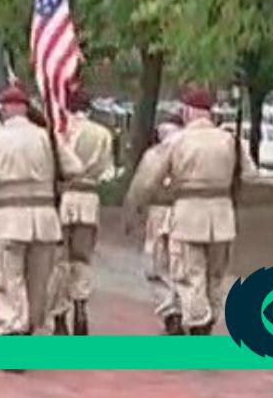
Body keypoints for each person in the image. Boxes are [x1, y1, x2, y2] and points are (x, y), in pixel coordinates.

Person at [0, 83, 81, 339]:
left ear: (4, 110)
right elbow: (75, 168)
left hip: (8, 218)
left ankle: (12, 328)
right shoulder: (47, 138)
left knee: (6, 279)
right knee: (39, 283)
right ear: (25, 109)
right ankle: (31, 324)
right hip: (45, 220)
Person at [128, 82, 253, 337]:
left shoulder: (177, 141)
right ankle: (210, 316)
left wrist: (135, 205)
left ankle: (198, 322)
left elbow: (149, 179)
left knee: (188, 274)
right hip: (222, 217)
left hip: (188, 215)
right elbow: (250, 174)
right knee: (215, 276)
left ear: (187, 111)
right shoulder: (231, 141)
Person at [50, 89, 117, 336]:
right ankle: (80, 307)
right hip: (89, 199)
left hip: (64, 197)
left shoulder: (60, 132)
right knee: (82, 258)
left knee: (59, 260)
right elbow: (108, 171)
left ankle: (59, 316)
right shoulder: (103, 134)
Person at [125, 114, 185, 334]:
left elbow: (142, 186)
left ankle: (171, 313)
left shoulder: (155, 154)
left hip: (160, 211)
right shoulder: (191, 152)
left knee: (156, 265)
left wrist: (132, 210)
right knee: (182, 263)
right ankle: (182, 309)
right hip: (186, 211)